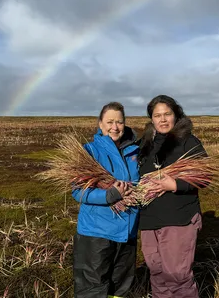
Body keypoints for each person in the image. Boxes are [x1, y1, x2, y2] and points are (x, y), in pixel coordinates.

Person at [137, 95, 207, 298]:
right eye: (157, 115)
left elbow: (204, 176)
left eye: (167, 114)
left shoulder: (188, 142)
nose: (163, 119)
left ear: (176, 115)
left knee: (178, 278)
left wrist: (175, 184)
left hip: (178, 219)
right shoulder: (145, 143)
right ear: (152, 119)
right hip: (149, 221)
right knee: (157, 275)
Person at [71, 102, 140, 298]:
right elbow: (78, 192)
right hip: (96, 234)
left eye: (119, 122)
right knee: (92, 289)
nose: (115, 127)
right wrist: (110, 195)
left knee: (120, 289)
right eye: (109, 121)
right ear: (100, 124)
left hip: (127, 233)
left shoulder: (134, 152)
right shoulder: (89, 152)